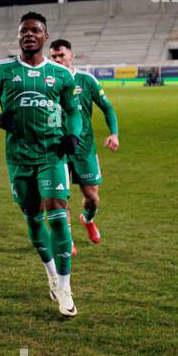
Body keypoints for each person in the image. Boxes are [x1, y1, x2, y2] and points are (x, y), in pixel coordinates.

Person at [0, 13, 83, 317]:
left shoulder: (61, 75)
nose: (29, 34)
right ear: (19, 36)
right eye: (24, 31)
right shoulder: (3, 72)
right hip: (19, 157)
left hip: (52, 154)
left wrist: (72, 136)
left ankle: (64, 286)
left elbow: (73, 112)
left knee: (59, 218)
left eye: (35, 30)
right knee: (34, 221)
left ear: (45, 37)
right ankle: (51, 274)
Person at [48, 40, 119, 244]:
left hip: (84, 148)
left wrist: (114, 134)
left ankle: (88, 219)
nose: (57, 59)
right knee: (60, 197)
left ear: (71, 56)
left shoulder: (87, 80)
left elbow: (108, 108)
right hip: (56, 149)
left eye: (61, 55)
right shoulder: (46, 81)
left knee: (92, 198)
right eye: (53, 56)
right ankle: (66, 238)